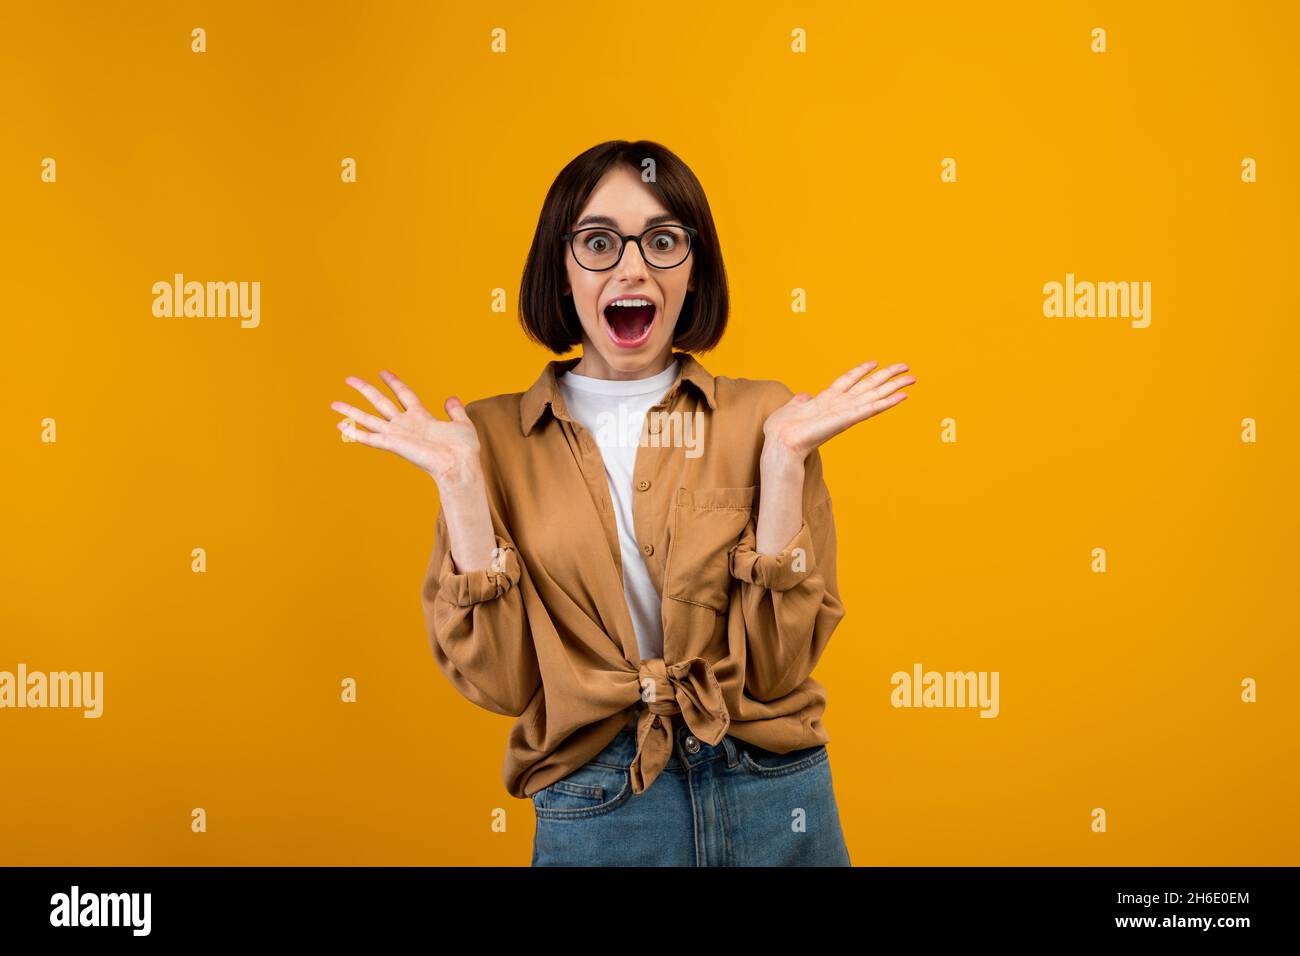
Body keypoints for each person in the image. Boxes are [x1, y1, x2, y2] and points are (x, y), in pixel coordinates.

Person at [329, 140, 917, 866]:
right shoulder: (485, 440)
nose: (632, 267)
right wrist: (458, 483)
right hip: (603, 806)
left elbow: (776, 670)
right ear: (562, 269)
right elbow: (502, 683)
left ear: (694, 272)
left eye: (663, 241)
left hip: (773, 791)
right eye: (600, 243)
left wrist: (785, 461)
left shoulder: (769, 420)